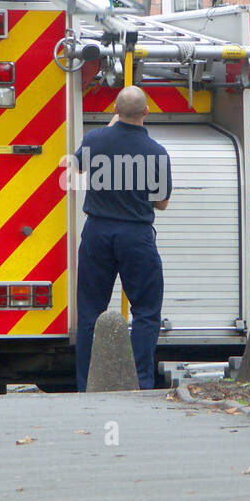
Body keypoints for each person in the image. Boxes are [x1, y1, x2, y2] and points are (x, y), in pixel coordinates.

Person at [73, 86, 171, 390]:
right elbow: (162, 202)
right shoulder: (156, 152)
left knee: (91, 310)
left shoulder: (94, 141)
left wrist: (107, 130)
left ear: (115, 111)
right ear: (146, 112)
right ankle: (140, 383)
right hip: (136, 236)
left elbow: (74, 169)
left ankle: (87, 383)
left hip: (97, 233)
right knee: (145, 310)